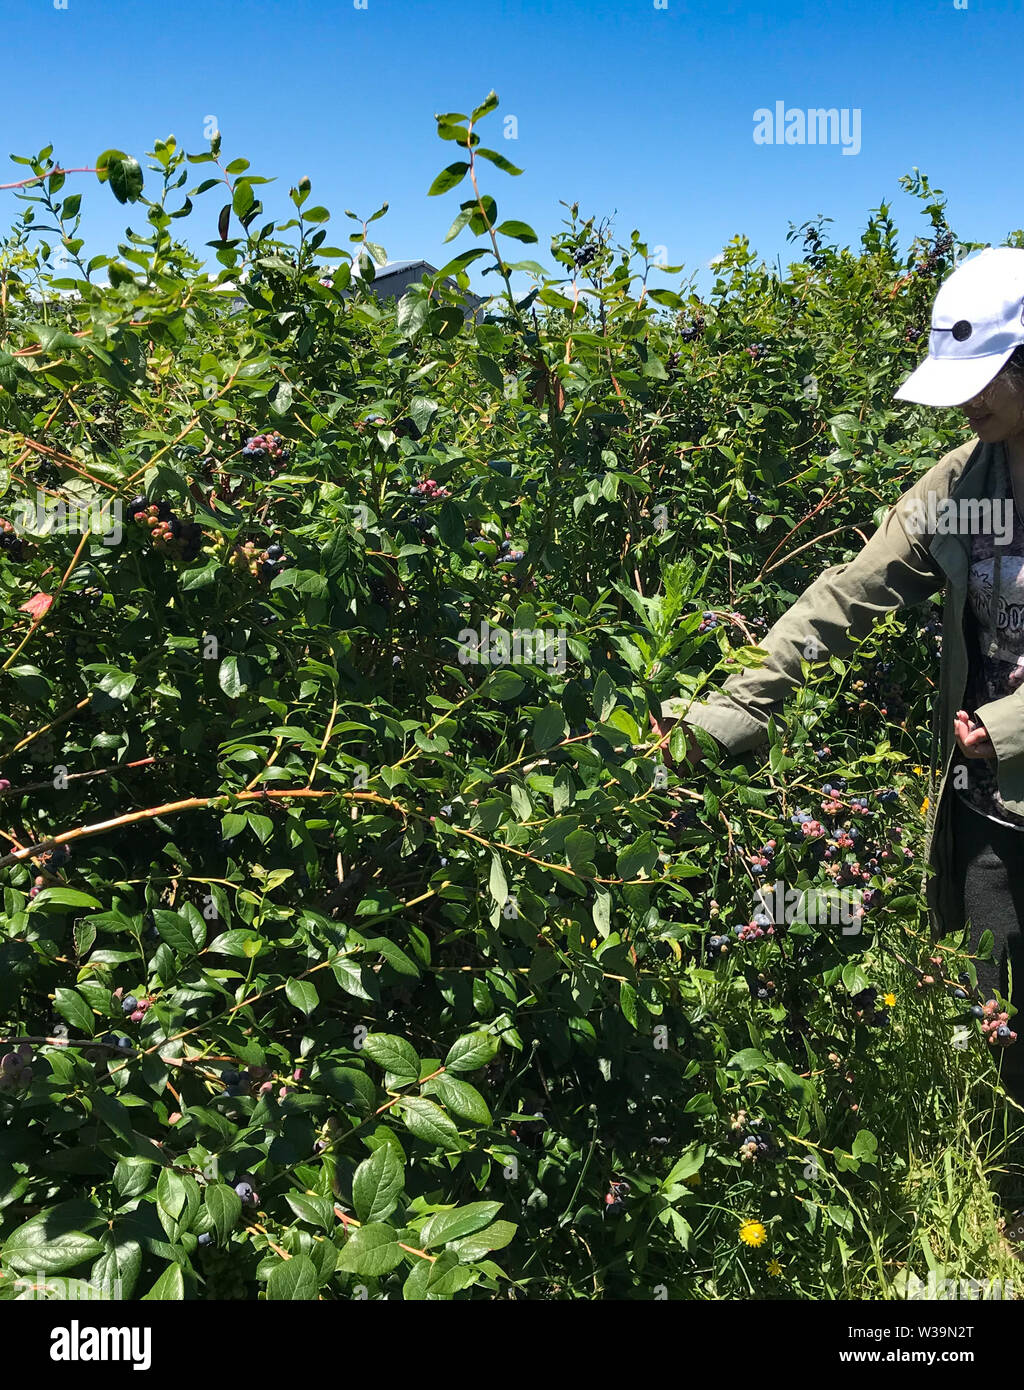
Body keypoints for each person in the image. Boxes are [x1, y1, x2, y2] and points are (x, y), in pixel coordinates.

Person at [654, 246, 1024, 1102]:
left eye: (980, 377)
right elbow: (846, 598)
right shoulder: (967, 482)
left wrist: (1006, 728)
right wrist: (730, 712)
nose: (964, 400)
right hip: (990, 805)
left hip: (998, 749)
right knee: (1001, 1006)